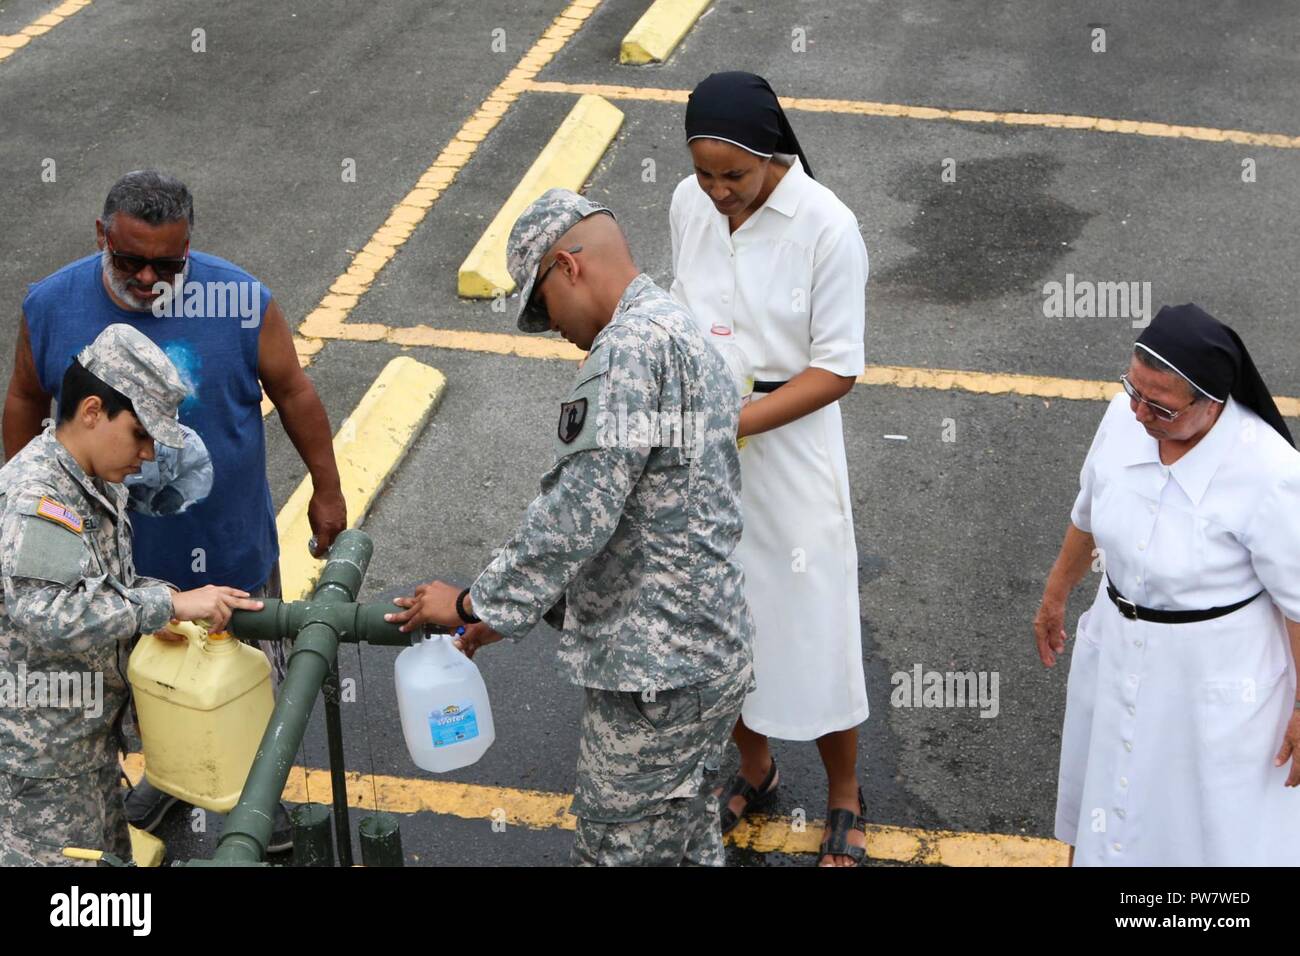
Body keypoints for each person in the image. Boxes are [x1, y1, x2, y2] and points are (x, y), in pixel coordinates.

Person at [386, 188, 754, 866]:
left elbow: (576, 514)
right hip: (705, 656)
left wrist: (473, 602)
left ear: (568, 266)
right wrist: (521, 612)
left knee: (616, 851)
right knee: (685, 840)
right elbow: (650, 514)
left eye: (541, 304)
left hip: (657, 673)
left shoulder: (627, 352)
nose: (550, 327)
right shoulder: (679, 326)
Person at [2, 170, 346, 847]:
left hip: (221, 554)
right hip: (117, 583)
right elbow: (21, 400)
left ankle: (250, 797)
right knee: (143, 697)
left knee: (242, 688)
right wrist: (21, 495)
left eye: (168, 263)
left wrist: (327, 490)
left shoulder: (241, 300)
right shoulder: (51, 306)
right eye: (130, 259)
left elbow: (296, 393)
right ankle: (169, 775)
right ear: (101, 235)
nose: (149, 277)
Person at [668, 71, 871, 865]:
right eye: (705, 173)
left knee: (814, 623)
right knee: (726, 618)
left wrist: (735, 423)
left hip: (789, 447)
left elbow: (839, 369)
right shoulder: (690, 205)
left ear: (771, 155)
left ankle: (846, 797)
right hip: (709, 449)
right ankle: (755, 768)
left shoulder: (828, 227)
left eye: (735, 175)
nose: (719, 191)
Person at [1035, 303, 1300, 866]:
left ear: (1213, 404)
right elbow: (1087, 515)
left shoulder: (1270, 474)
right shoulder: (1122, 418)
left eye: (1161, 406)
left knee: (1206, 824)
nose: (1139, 413)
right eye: (1133, 390)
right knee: (1109, 796)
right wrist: (1055, 596)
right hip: (1118, 647)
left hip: (1215, 677)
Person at [0, 324, 263, 865]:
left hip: (85, 744)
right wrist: (165, 605)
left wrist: (162, 601)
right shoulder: (41, 496)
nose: (147, 455)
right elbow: (45, 611)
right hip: (39, 762)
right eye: (140, 434)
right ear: (93, 411)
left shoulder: (93, 479)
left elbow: (99, 585)